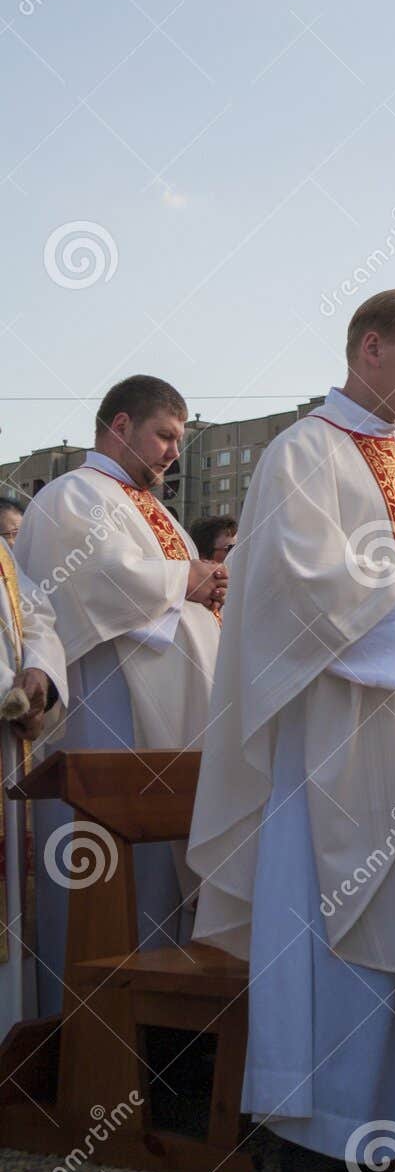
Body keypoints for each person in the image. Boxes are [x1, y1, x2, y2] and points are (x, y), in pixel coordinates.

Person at [187, 290, 395, 1172]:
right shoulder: (304, 451)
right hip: (338, 739)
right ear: (370, 349)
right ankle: (327, 1126)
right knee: (342, 911)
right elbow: (295, 582)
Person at [15, 376, 225, 1018]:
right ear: (121, 426)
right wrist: (186, 579)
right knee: (107, 884)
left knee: (163, 875)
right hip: (107, 712)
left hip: (173, 721)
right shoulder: (70, 495)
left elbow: (190, 593)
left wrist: (205, 586)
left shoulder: (154, 509)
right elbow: (92, 584)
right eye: (164, 435)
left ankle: (163, 1032)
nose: (172, 453)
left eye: (179, 441)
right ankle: (83, 1037)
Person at [0, 537, 66, 1038]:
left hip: (10, 746)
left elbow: (38, 616)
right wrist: (9, 689)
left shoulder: (3, 553)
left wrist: (39, 673)